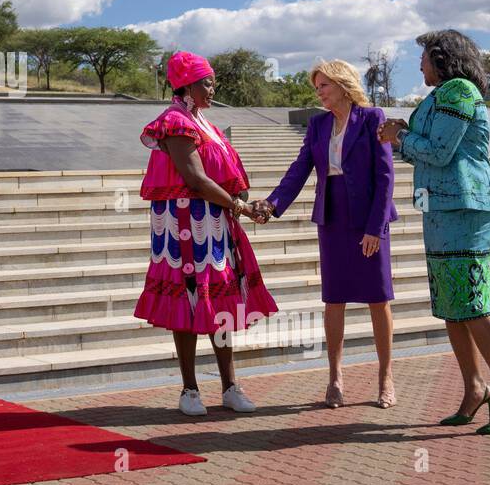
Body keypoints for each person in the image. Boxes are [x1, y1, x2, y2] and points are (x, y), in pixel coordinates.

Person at [379, 29, 490, 435]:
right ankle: (475, 389)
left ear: (445, 59)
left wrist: (401, 137)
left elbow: (440, 151)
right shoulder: (437, 96)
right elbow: (429, 145)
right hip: (441, 207)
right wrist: (401, 135)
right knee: (450, 304)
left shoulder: (459, 90)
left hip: (467, 205)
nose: (421, 65)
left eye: (426, 58)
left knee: (472, 300)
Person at [135, 50, 278, 416]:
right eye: (208, 82)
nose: (213, 87)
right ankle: (189, 390)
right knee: (188, 300)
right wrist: (241, 206)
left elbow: (227, 176)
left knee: (219, 303)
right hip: (184, 225)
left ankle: (230, 386)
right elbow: (195, 179)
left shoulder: (204, 123)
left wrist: (248, 202)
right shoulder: (174, 122)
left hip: (215, 223)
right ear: (188, 84)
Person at [252, 60, 399, 409]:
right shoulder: (317, 124)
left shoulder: (373, 118)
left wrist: (375, 228)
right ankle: (335, 377)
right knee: (334, 299)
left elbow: (385, 177)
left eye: (324, 86)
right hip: (331, 216)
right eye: (317, 87)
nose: (319, 93)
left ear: (343, 85)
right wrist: (272, 204)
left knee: (378, 298)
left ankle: (386, 377)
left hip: (368, 217)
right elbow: (300, 169)